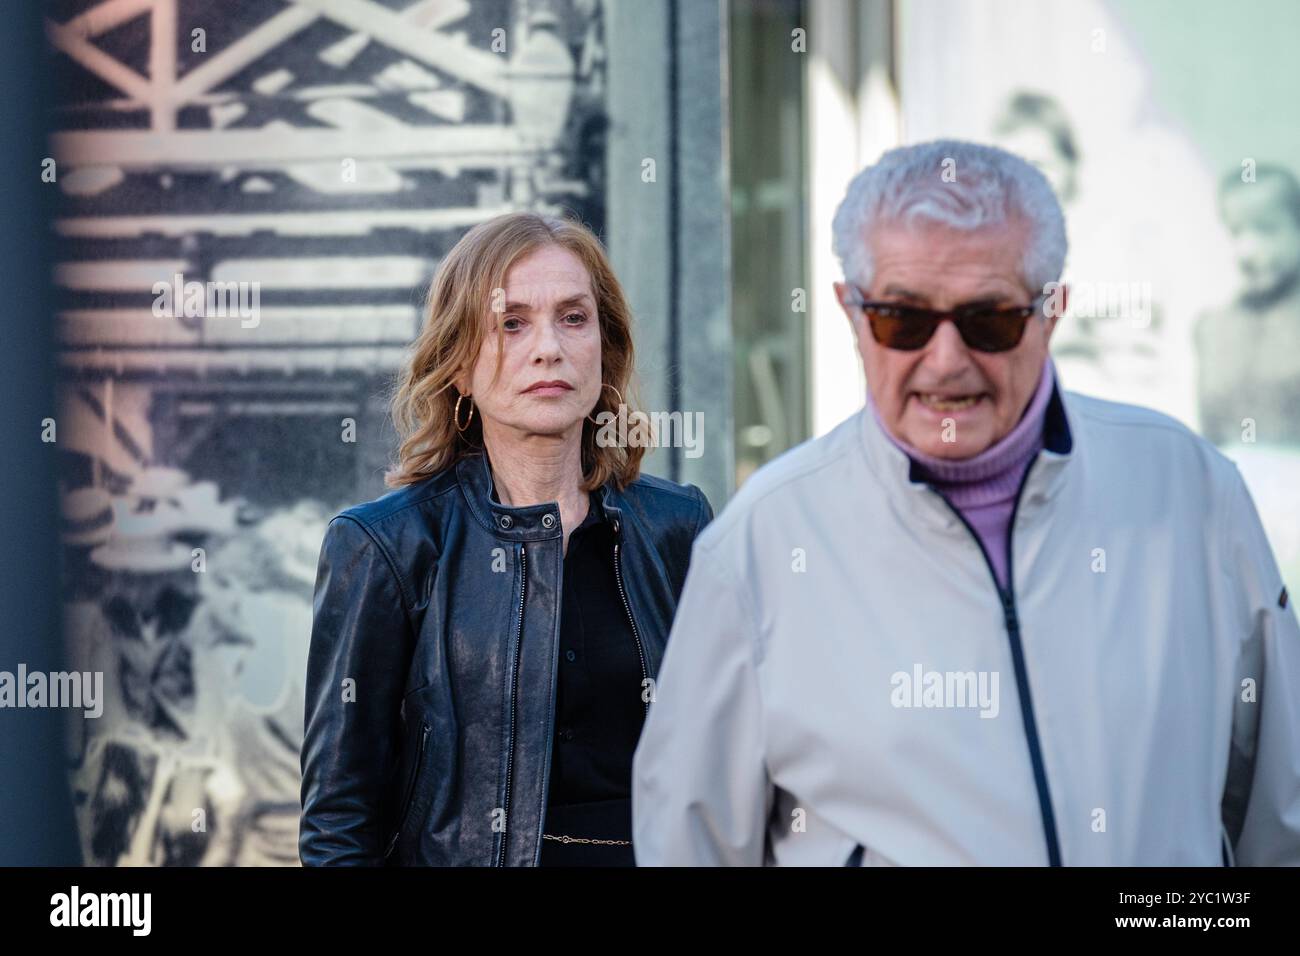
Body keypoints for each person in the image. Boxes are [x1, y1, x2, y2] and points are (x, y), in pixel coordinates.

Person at [632, 140, 1300, 866]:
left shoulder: (1193, 493)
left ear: (1053, 312)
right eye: (902, 319)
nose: (946, 360)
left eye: (989, 320)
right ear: (851, 314)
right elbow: (689, 846)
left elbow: (1279, 818)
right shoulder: (761, 542)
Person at [300, 212, 713, 866]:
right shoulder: (387, 546)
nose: (547, 347)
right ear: (459, 364)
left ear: (604, 347)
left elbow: (729, 761)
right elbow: (339, 819)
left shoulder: (677, 528)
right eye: (511, 323)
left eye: (573, 318)